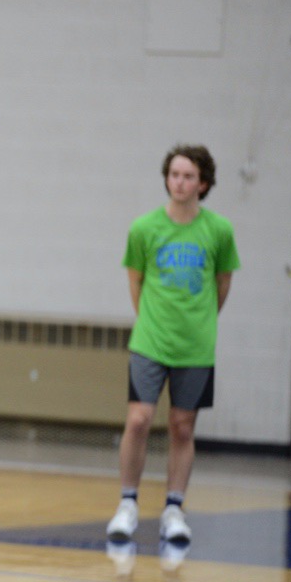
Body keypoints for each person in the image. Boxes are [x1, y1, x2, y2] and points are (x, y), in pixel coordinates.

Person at [105, 145, 239, 545]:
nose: (179, 182)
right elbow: (135, 281)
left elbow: (223, 284)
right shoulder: (144, 228)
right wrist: (152, 320)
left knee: (182, 426)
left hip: (196, 345)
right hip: (150, 340)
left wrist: (199, 322)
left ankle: (174, 509)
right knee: (139, 419)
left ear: (203, 183)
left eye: (188, 176)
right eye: (174, 174)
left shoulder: (219, 231)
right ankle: (128, 503)